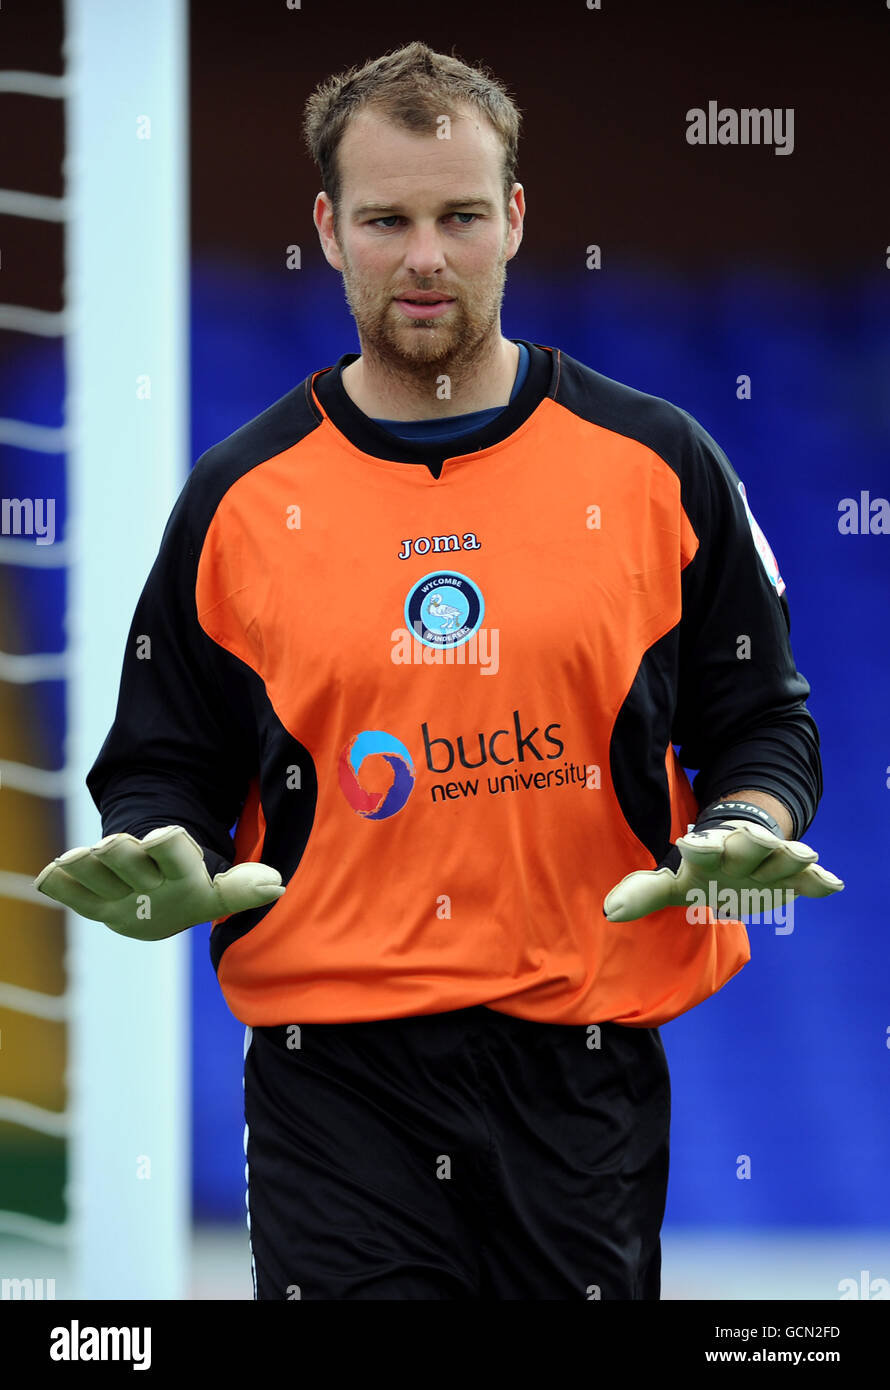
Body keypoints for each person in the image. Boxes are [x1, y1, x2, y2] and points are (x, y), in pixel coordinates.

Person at [34, 41, 843, 1300]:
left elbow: (763, 724)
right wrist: (160, 843)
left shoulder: (655, 464)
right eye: (386, 219)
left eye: (459, 215)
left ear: (513, 218)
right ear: (326, 227)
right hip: (331, 1075)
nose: (424, 255)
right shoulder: (239, 499)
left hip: (580, 1074)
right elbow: (162, 758)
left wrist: (744, 821)